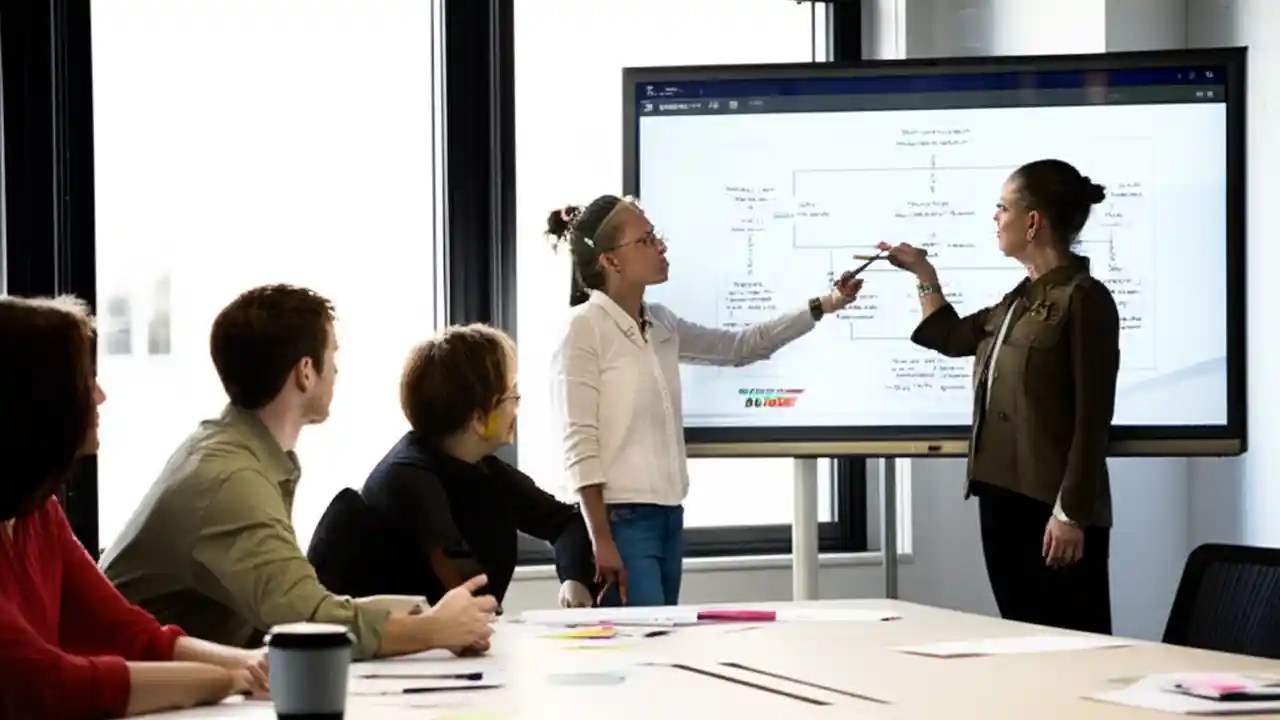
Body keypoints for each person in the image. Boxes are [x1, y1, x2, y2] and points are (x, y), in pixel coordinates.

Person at [101, 284, 497, 661]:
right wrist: (432, 631)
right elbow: (307, 620)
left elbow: (294, 608)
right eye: (334, 357)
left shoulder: (230, 449)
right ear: (305, 372)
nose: (337, 372)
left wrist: (424, 618)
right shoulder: (231, 480)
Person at [545, 195, 862, 607]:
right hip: (620, 520)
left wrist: (825, 304)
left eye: (657, 237)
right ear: (610, 261)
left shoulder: (661, 322)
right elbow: (578, 442)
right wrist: (600, 539)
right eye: (645, 241)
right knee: (641, 652)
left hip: (668, 516)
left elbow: (741, 346)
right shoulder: (584, 328)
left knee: (662, 644)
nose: (661, 247)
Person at [879, 158, 1120, 634]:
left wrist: (1071, 513)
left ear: (1033, 222)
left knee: (1072, 649)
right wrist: (922, 271)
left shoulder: (1084, 298)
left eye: (1002, 207)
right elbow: (947, 335)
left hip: (1053, 512)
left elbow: (1093, 419)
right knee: (1023, 640)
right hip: (1003, 503)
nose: (995, 218)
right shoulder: (1017, 302)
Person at [0, 295, 270, 718]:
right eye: (87, 379)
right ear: (39, 400)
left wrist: (255, 666)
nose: (101, 396)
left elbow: (131, 634)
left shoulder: (38, 513)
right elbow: (48, 683)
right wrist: (225, 679)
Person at [310, 323, 597, 609]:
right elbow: (462, 580)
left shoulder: (486, 472)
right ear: (478, 420)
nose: (517, 407)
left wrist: (574, 578)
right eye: (511, 396)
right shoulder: (407, 476)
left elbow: (566, 521)